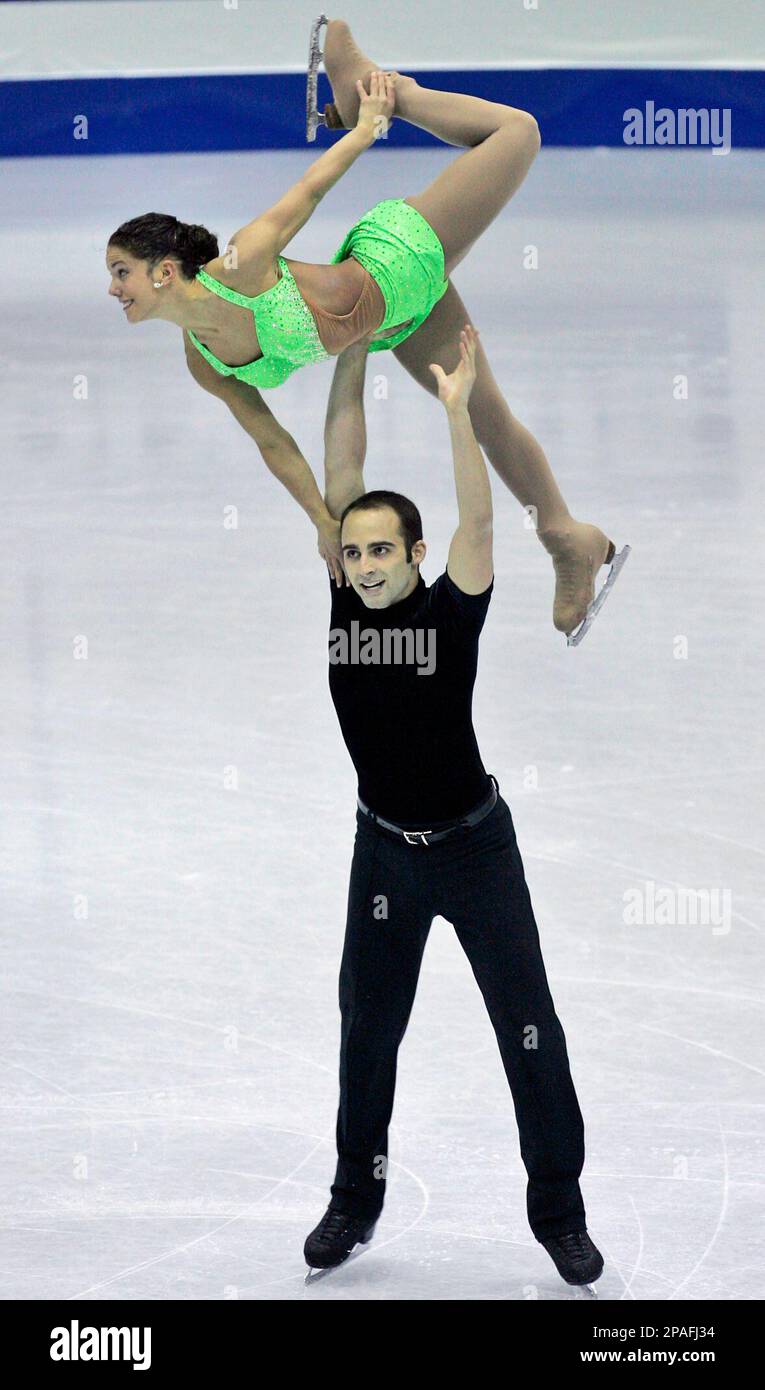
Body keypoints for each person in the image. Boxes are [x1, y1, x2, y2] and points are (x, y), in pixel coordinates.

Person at [104, 17, 623, 638]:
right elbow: (273, 442)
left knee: (518, 132)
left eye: (121, 272)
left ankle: (392, 94)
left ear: (164, 270)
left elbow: (310, 190)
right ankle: (569, 539)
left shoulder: (239, 266)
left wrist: (371, 128)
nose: (113, 289)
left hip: (397, 255)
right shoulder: (202, 359)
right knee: (487, 418)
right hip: (394, 321)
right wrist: (323, 522)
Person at [303, 324, 604, 1290]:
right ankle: (355, 1201)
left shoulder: (448, 608)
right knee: (367, 1031)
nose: (366, 564)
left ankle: (559, 1212)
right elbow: (341, 456)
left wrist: (456, 411)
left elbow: (479, 527)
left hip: (475, 853)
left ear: (416, 554)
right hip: (383, 854)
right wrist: (348, 352)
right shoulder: (347, 604)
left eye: (384, 550)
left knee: (529, 1030)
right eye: (353, 552)